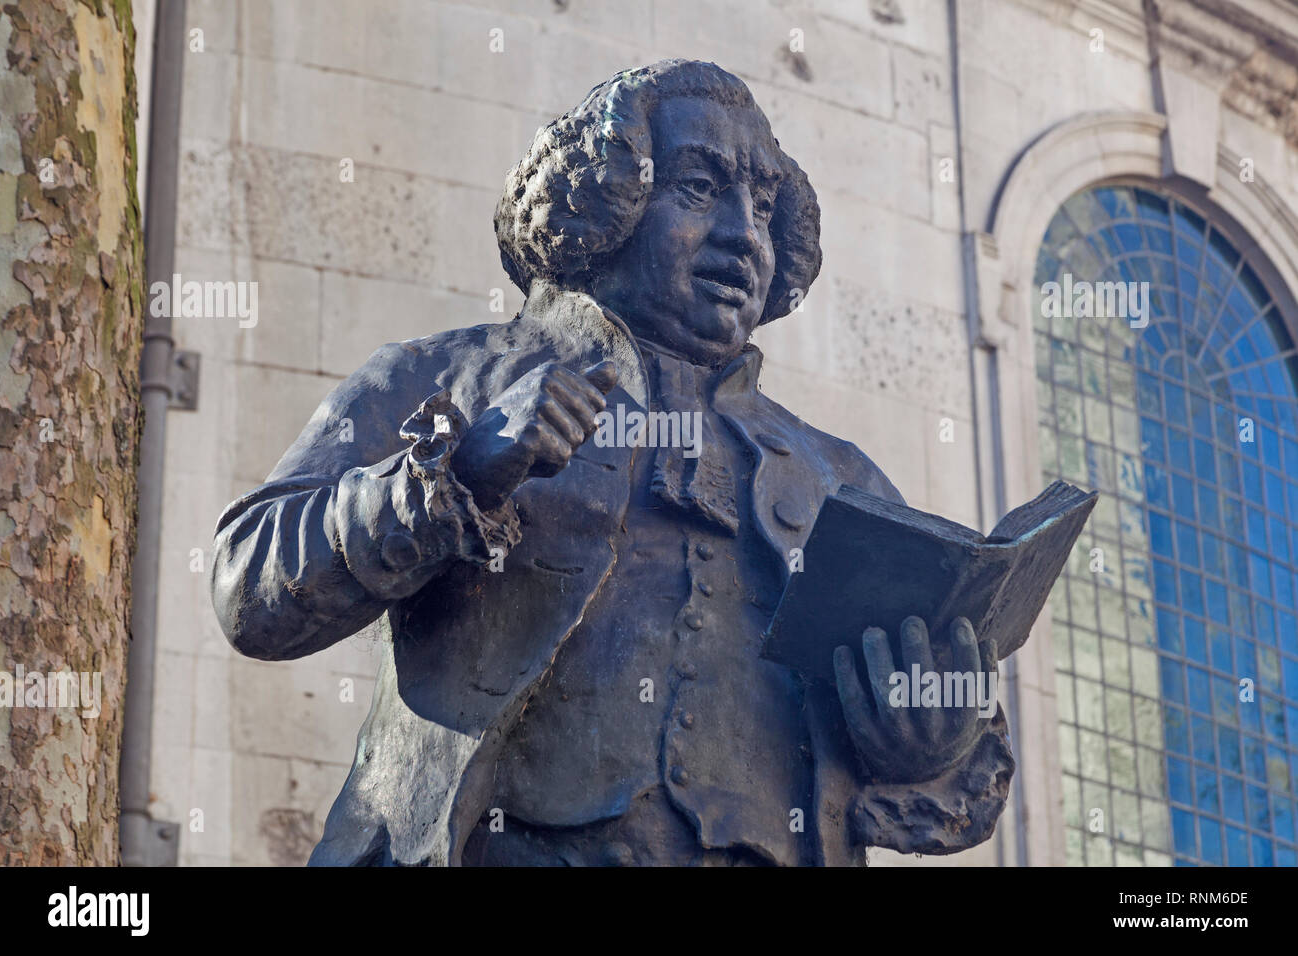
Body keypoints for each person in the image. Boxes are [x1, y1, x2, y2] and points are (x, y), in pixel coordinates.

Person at [212, 59, 1012, 866]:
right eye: (699, 190)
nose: (743, 234)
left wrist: (931, 737)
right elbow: (249, 585)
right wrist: (450, 475)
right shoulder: (448, 377)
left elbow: (954, 780)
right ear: (605, 202)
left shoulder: (841, 481)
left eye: (763, 207)